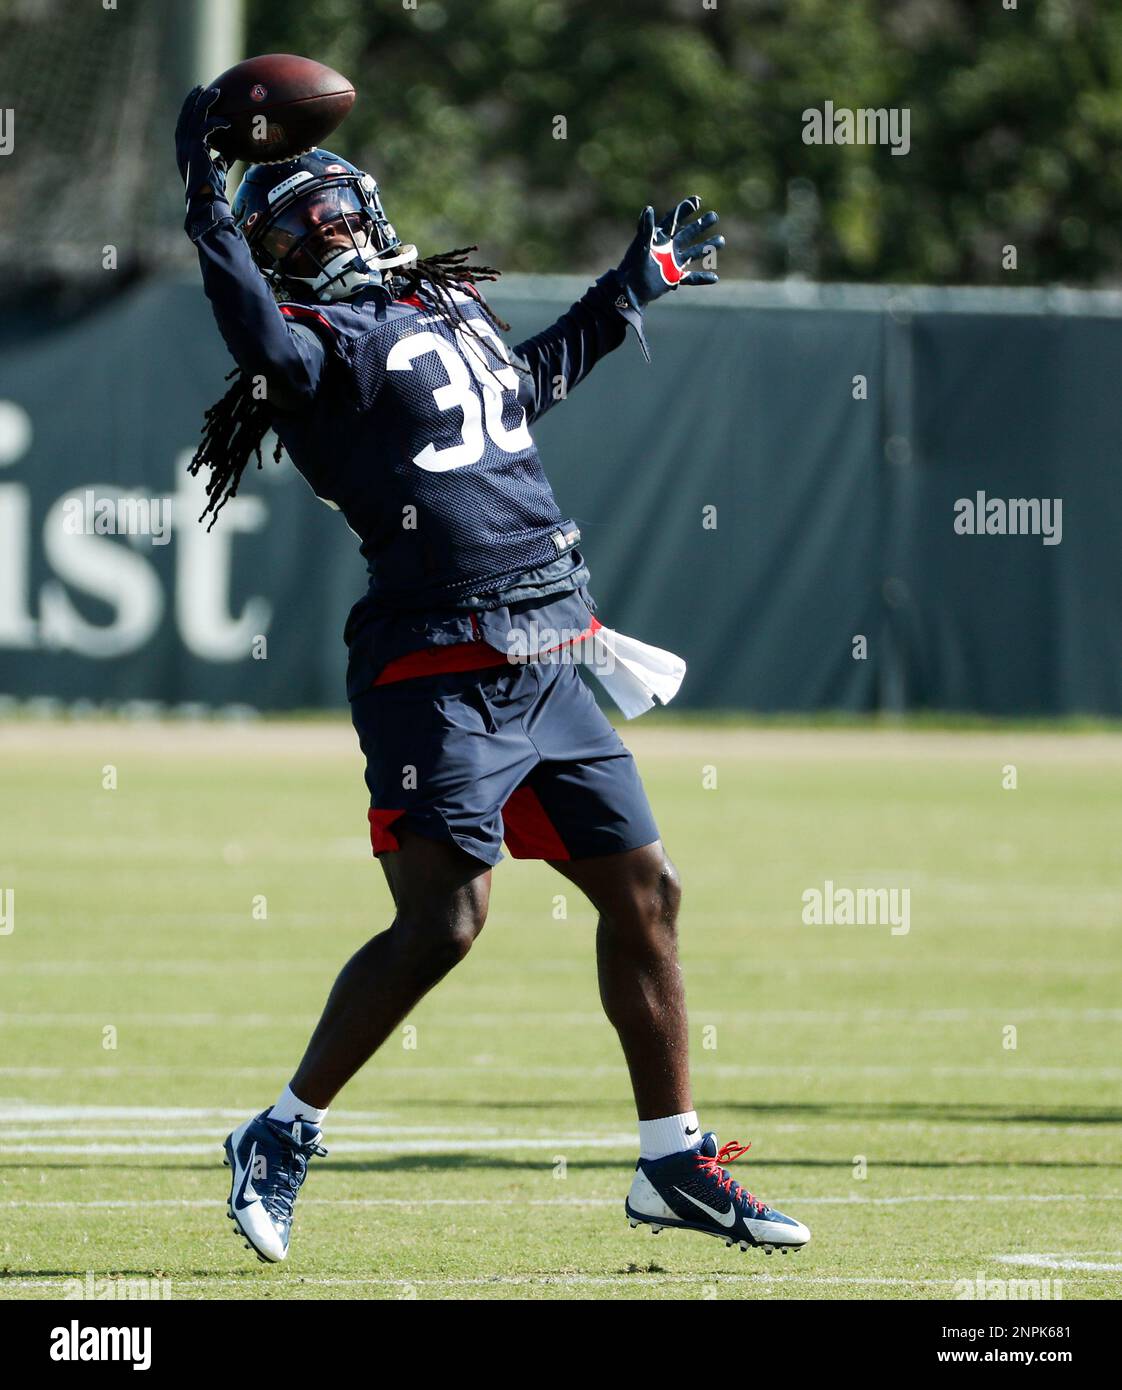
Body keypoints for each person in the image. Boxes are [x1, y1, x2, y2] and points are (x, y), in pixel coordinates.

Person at [175, 85, 810, 1265]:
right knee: (445, 922)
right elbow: (258, 335)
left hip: (549, 646)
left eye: (325, 209)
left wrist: (627, 293)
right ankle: (279, 1130)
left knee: (649, 891)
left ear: (364, 204)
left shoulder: (444, 311)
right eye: (292, 228)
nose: (321, 231)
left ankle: (672, 1159)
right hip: (436, 667)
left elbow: (526, 389)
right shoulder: (310, 351)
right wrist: (206, 207)